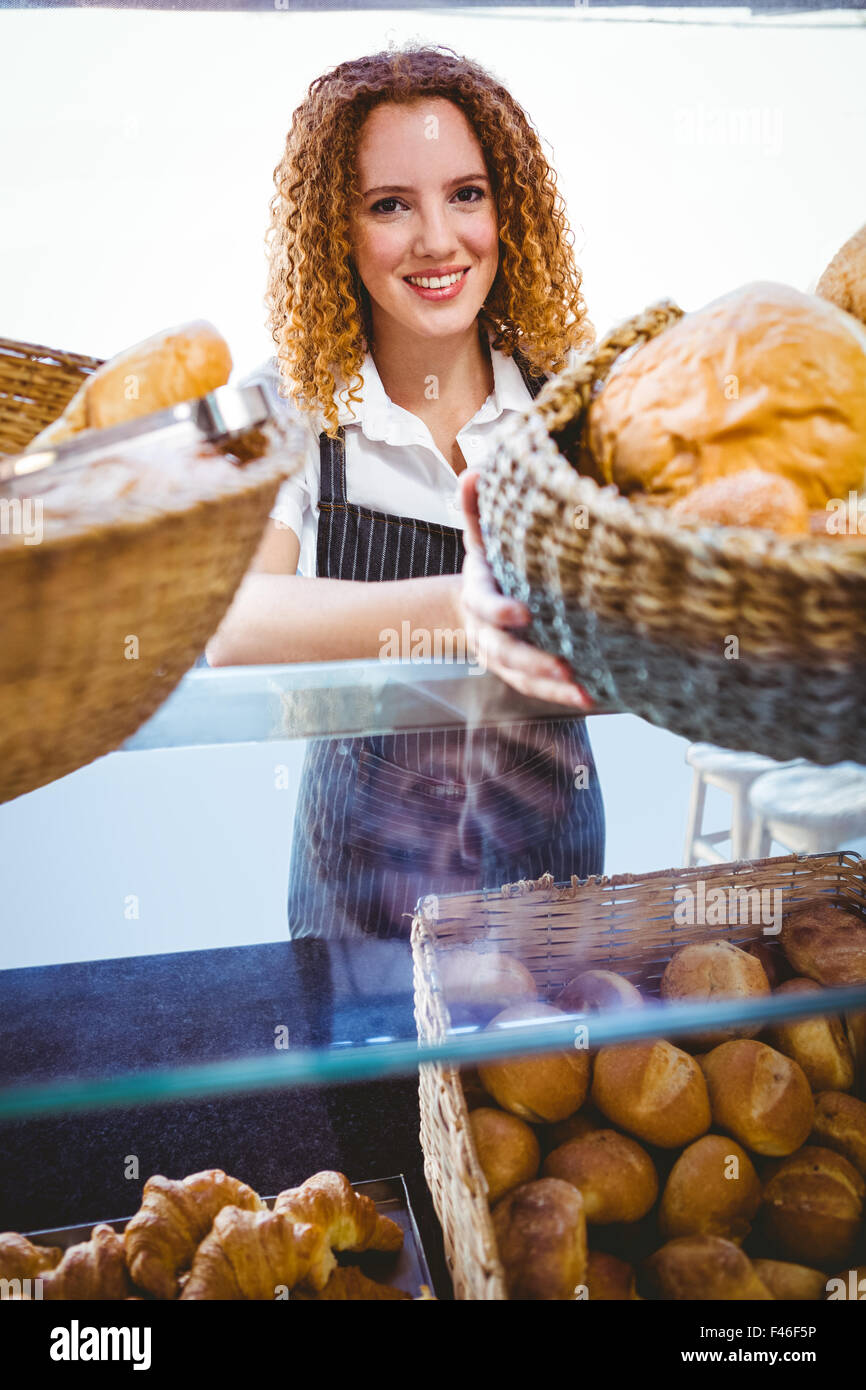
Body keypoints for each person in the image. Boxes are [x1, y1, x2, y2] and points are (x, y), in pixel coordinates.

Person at [207, 44, 605, 940]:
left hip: (549, 858)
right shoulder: (295, 406)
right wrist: (475, 607)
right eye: (391, 205)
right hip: (359, 879)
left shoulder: (573, 402)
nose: (438, 239)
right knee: (364, 1085)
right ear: (335, 233)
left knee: (535, 1078)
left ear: (509, 207)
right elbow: (234, 625)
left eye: (467, 193)